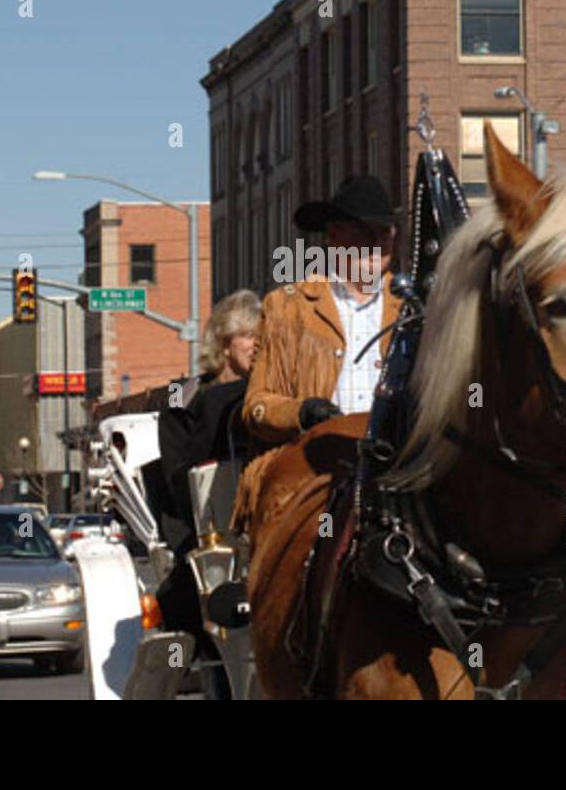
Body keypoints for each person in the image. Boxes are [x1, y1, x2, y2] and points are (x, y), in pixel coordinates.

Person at [153, 290, 261, 696]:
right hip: (202, 528)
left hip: (260, 521)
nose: (257, 344)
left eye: (263, 335)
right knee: (186, 596)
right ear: (223, 342)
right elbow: (178, 478)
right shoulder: (187, 396)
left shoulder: (271, 396)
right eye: (248, 335)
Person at [242, 175, 404, 445]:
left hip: (397, 465)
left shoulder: (412, 308)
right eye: (364, 231)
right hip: (316, 466)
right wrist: (302, 413)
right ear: (333, 236)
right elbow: (256, 406)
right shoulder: (288, 308)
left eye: (385, 232)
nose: (378, 242)